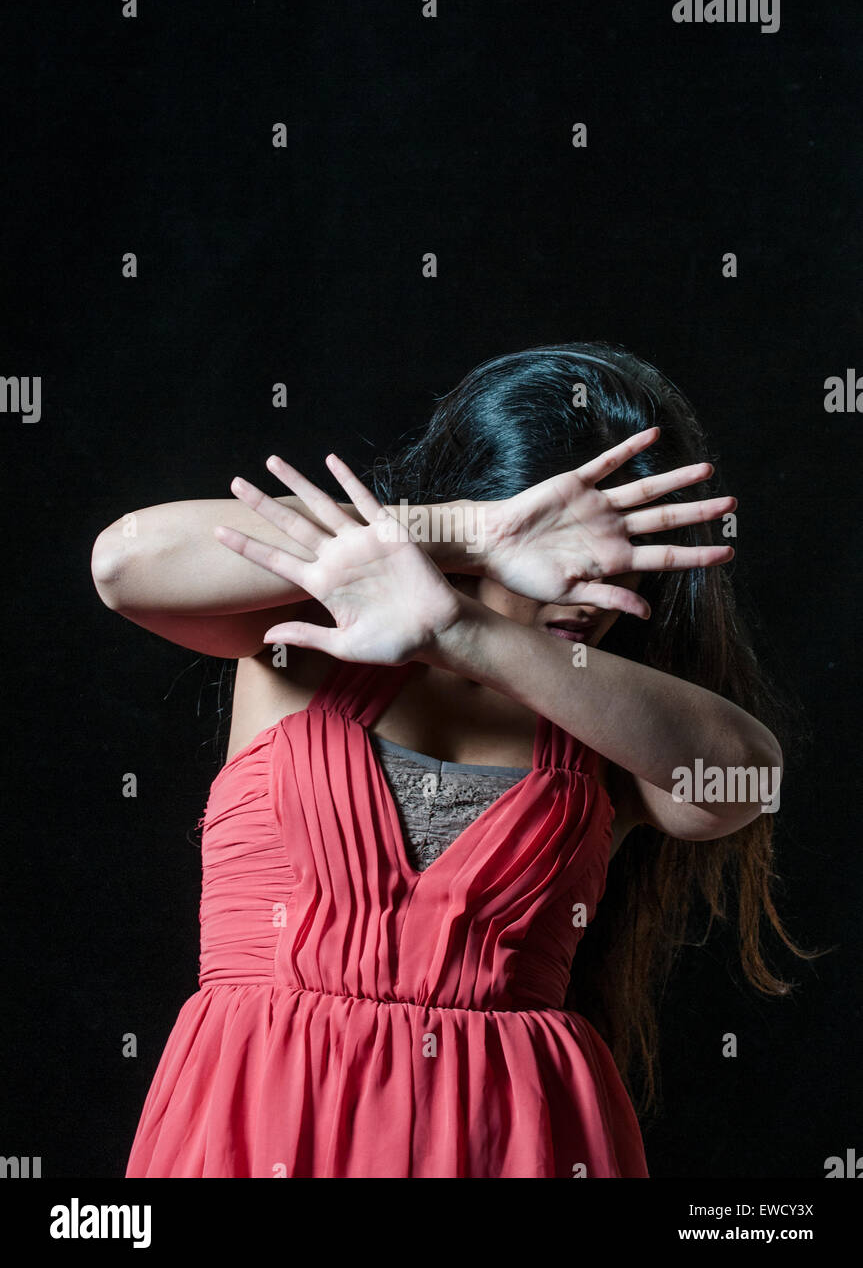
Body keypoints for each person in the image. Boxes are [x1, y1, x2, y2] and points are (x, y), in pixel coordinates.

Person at [92, 341, 804, 1178]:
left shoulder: (612, 718)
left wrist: (465, 635)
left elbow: (743, 782)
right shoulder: (306, 634)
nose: (587, 589)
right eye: (566, 552)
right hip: (255, 1113)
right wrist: (471, 530)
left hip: (507, 1139)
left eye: (619, 559)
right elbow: (124, 563)